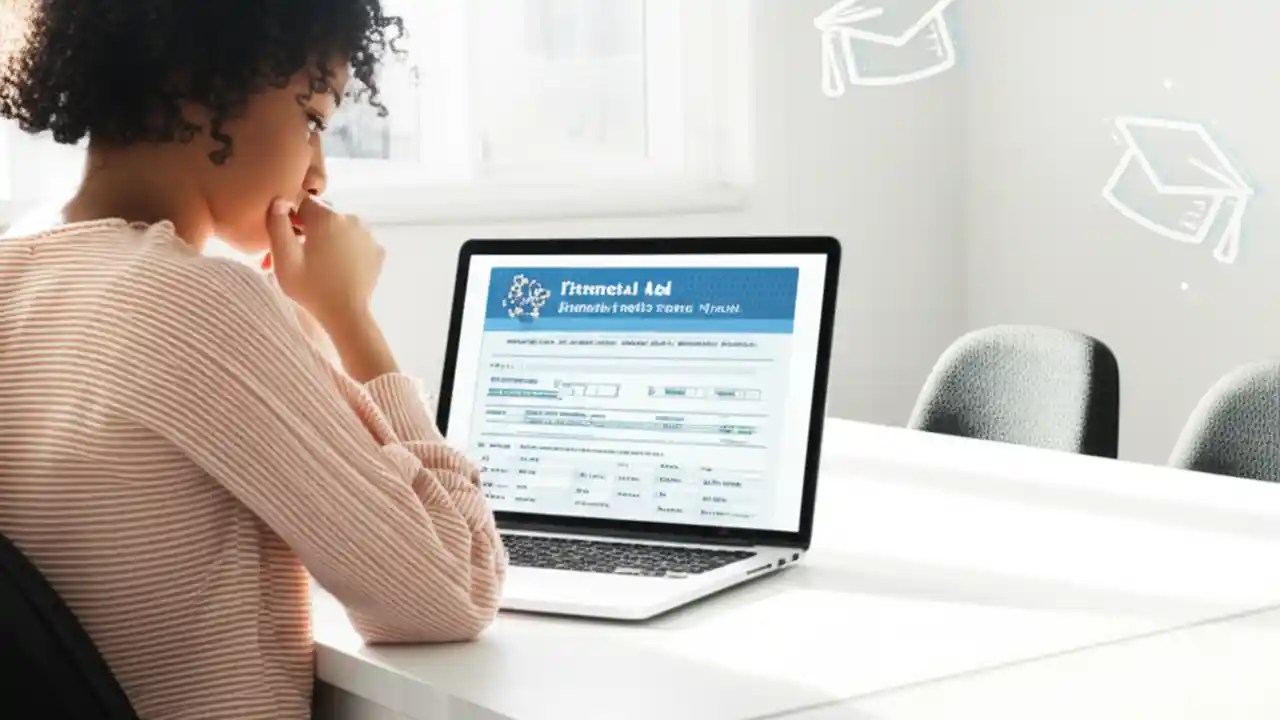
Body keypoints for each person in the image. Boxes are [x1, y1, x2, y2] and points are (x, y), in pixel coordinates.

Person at [0, 1, 506, 718]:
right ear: (202, 90)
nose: (320, 174)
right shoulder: (199, 303)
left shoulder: (16, 273)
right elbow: (451, 588)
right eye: (316, 120)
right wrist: (351, 318)